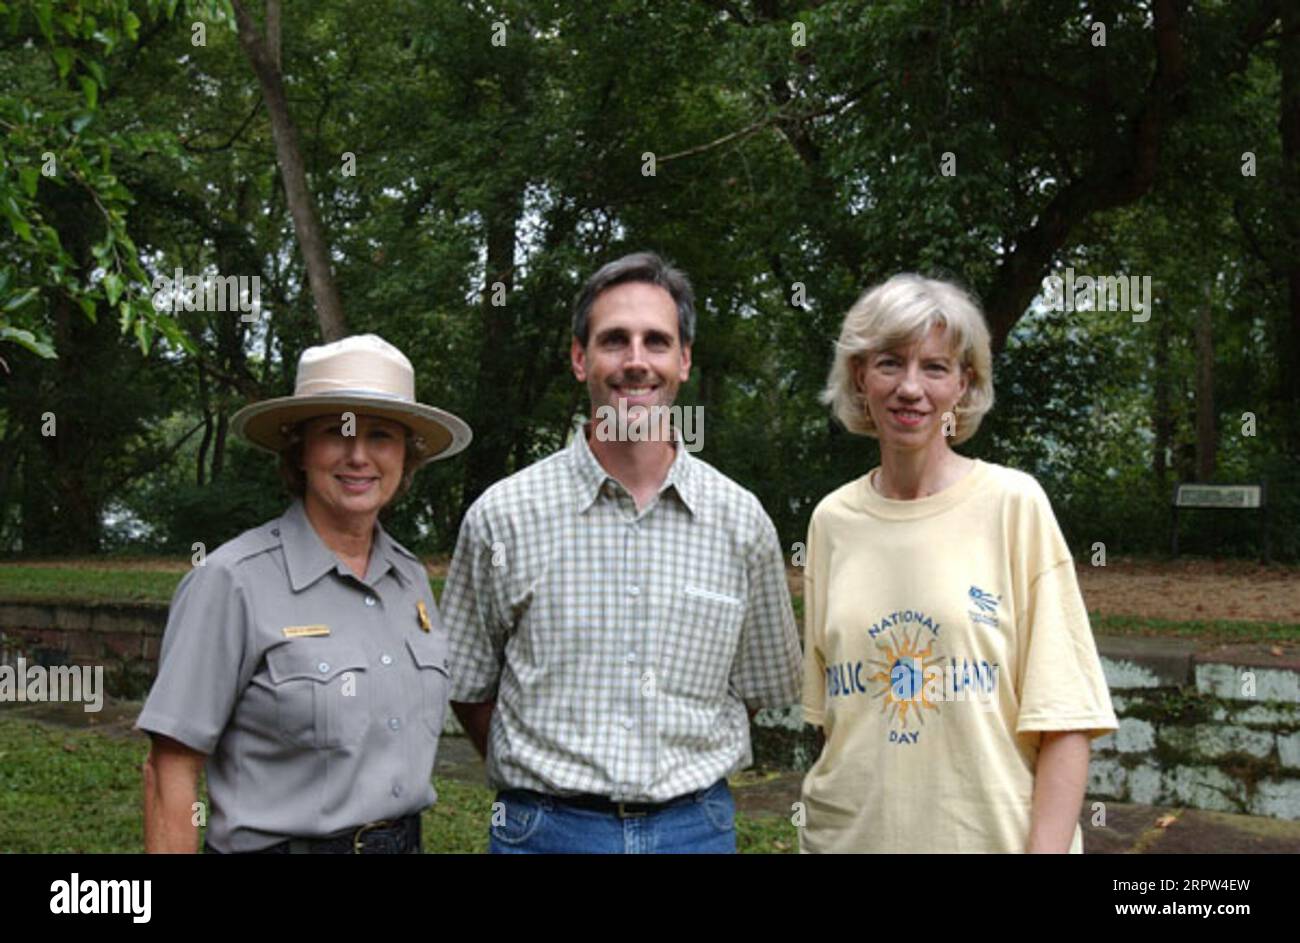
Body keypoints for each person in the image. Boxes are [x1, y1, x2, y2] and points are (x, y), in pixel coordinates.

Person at [442, 251, 801, 854]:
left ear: (684, 360)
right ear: (581, 358)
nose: (636, 361)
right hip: (546, 831)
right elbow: (468, 683)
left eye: (656, 342)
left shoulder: (741, 523)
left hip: (695, 831)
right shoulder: (503, 516)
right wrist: (553, 783)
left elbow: (763, 684)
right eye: (615, 340)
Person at [799, 274, 1117, 853]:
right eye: (890, 363)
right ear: (859, 377)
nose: (910, 389)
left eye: (936, 368)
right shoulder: (831, 521)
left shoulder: (1014, 505)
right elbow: (834, 723)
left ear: (964, 384)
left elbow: (1066, 720)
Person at [137, 334, 471, 853]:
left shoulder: (410, 580)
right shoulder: (231, 580)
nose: (358, 455)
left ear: (406, 456)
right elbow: (170, 771)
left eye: (381, 435)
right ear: (300, 451)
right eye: (336, 434)